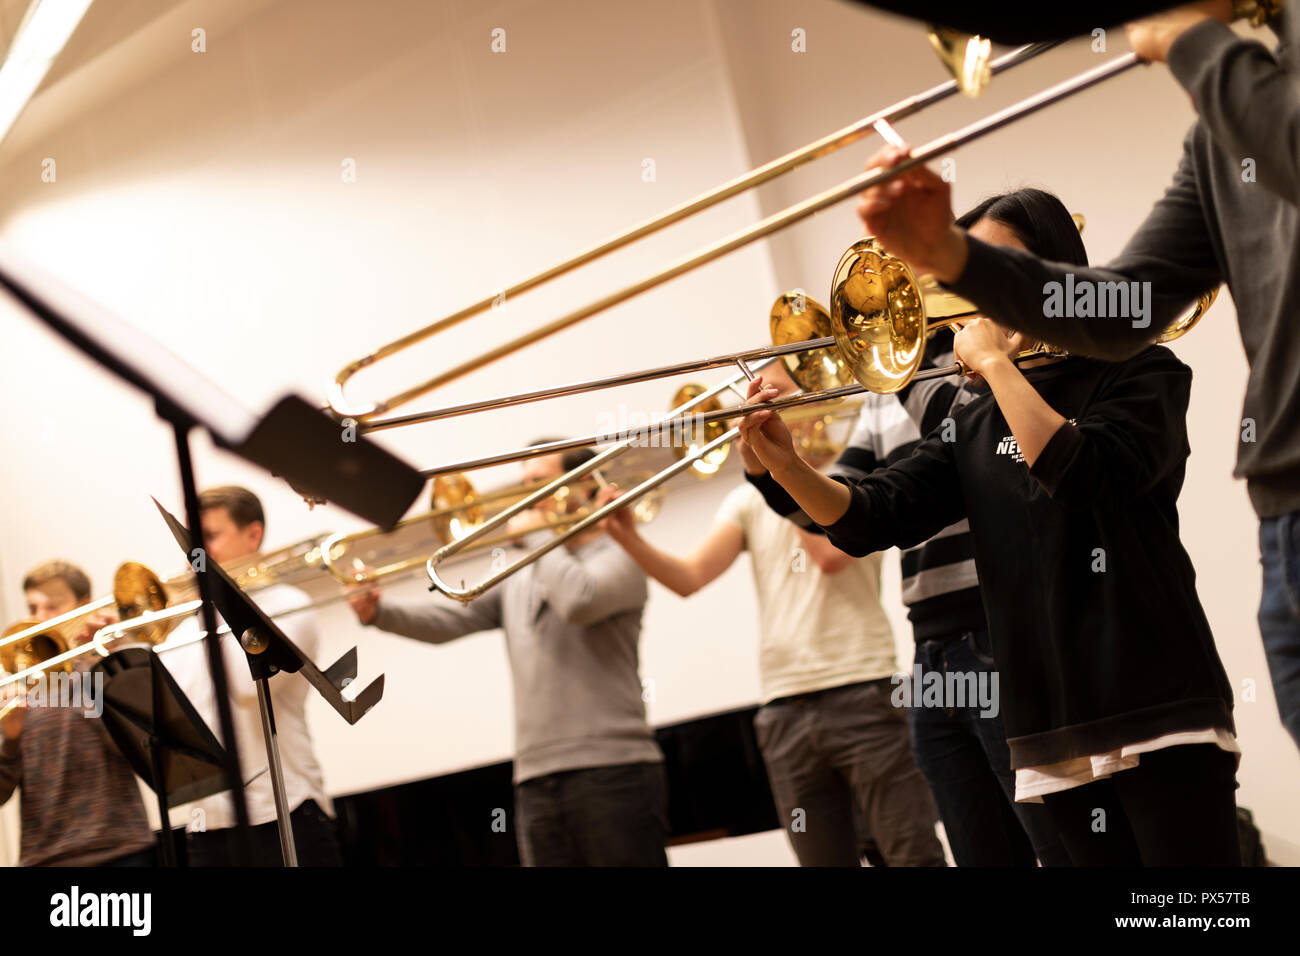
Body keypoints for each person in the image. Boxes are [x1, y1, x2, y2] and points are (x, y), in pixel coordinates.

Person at [740, 187, 1242, 866]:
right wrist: (785, 465)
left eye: (999, 268)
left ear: (1055, 274)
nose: (981, 291)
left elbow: (1079, 472)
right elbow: (872, 514)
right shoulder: (974, 418)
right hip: (1050, 727)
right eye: (972, 272)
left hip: (1155, 701)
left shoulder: (1141, 368)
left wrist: (997, 366)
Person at [855, 1, 1300, 752]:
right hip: (1284, 507)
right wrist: (950, 259)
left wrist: (1195, 43)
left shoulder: (1236, 92)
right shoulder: (1220, 135)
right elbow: (1122, 309)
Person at [747, 194, 1074, 868]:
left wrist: (895, 358)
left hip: (998, 630)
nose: (883, 303)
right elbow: (848, 512)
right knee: (981, 852)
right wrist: (773, 467)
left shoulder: (986, 364)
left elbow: (969, 433)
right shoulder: (884, 398)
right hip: (931, 649)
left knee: (1055, 846)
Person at [602, 363, 946, 867]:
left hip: (863, 689)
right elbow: (689, 578)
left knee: (912, 854)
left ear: (815, 398)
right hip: (783, 707)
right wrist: (629, 539)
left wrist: (780, 476)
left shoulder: (854, 478)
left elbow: (831, 556)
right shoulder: (747, 499)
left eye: (776, 392)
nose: (757, 403)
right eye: (753, 395)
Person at [349, 444, 668, 867]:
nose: (529, 495)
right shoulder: (526, 571)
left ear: (583, 484)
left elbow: (579, 600)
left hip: (614, 770)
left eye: (540, 483)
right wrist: (380, 613)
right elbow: (453, 620)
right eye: (526, 484)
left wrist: (538, 535)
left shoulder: (622, 554)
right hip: (534, 779)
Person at [163, 486, 342, 866]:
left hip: (287, 814)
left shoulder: (290, 605)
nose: (195, 553)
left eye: (210, 537)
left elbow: (247, 688)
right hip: (208, 827)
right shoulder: (181, 634)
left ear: (253, 535)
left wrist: (217, 600)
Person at [0, 561, 156, 866]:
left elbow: (137, 749)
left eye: (52, 607)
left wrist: (99, 665)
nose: (39, 618)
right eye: (33, 608)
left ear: (83, 606)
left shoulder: (105, 668)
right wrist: (12, 738)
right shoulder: (18, 684)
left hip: (121, 849)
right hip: (44, 858)